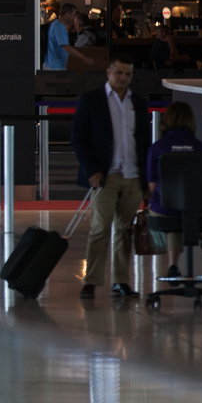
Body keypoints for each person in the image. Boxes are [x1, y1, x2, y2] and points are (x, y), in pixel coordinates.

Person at [70, 53, 151, 301]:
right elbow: (78, 139)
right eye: (118, 73)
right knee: (100, 229)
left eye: (127, 74)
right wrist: (91, 170)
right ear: (108, 73)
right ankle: (91, 282)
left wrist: (147, 180)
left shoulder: (138, 102)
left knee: (125, 231)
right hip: (105, 176)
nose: (123, 78)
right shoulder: (91, 100)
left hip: (132, 176)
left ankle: (121, 281)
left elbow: (145, 143)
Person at [145, 101, 202, 279]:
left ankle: (173, 264)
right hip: (197, 209)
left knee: (172, 213)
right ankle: (199, 232)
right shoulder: (200, 147)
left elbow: (151, 186)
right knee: (185, 211)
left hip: (166, 209)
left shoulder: (157, 148)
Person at [45, 3, 93, 71]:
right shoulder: (59, 27)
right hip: (55, 68)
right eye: (73, 15)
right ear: (67, 14)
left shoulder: (56, 25)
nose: (74, 18)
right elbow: (66, 47)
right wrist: (84, 58)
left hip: (56, 65)